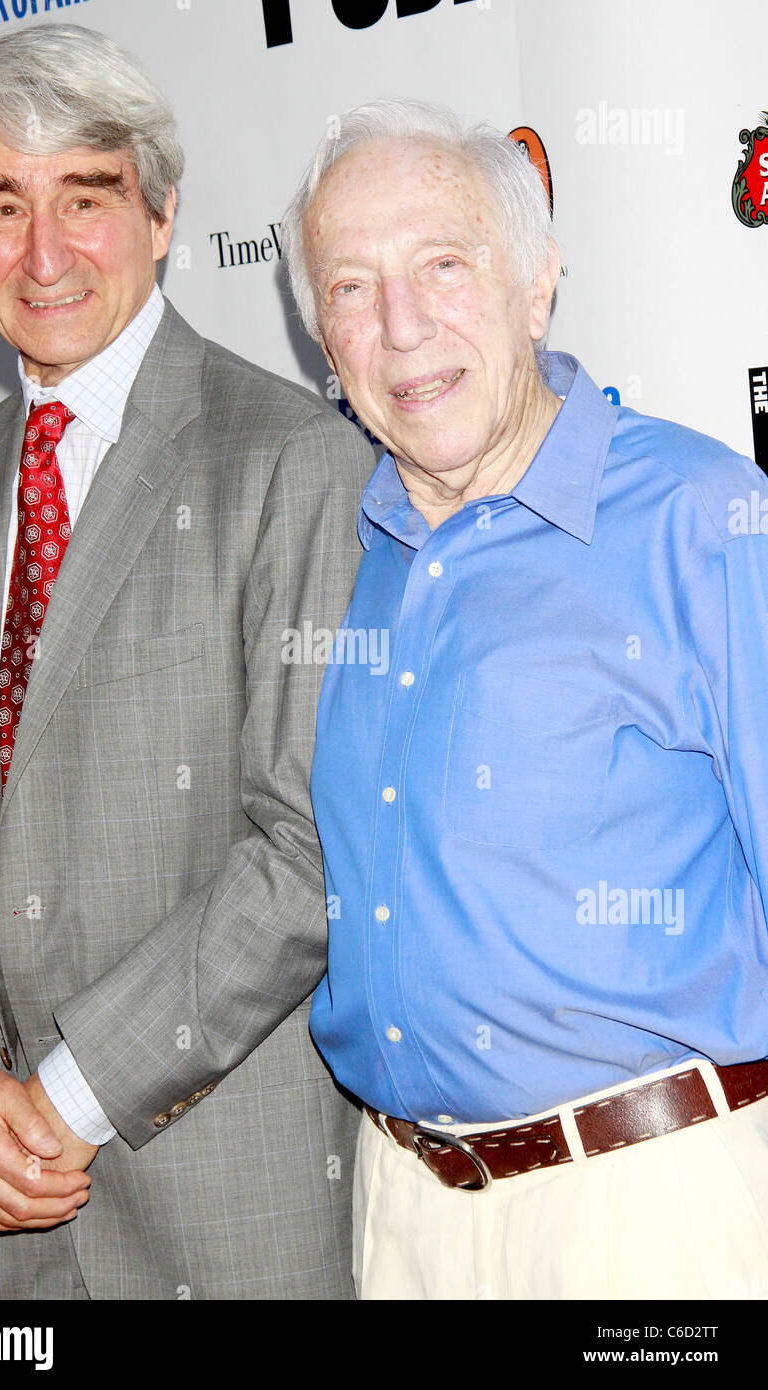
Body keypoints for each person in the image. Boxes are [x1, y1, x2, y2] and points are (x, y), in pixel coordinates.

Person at [0, 24, 372, 1300]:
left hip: (221, 1228)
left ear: (163, 215)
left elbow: (306, 856)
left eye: (86, 199)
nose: (42, 254)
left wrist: (58, 1100)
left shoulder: (288, 462)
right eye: (2, 204)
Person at [281, 98, 768, 1300]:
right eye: (349, 288)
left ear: (536, 283)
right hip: (402, 1211)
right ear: (319, 340)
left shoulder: (702, 521)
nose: (399, 328)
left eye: (443, 266)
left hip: (649, 1214)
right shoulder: (360, 554)